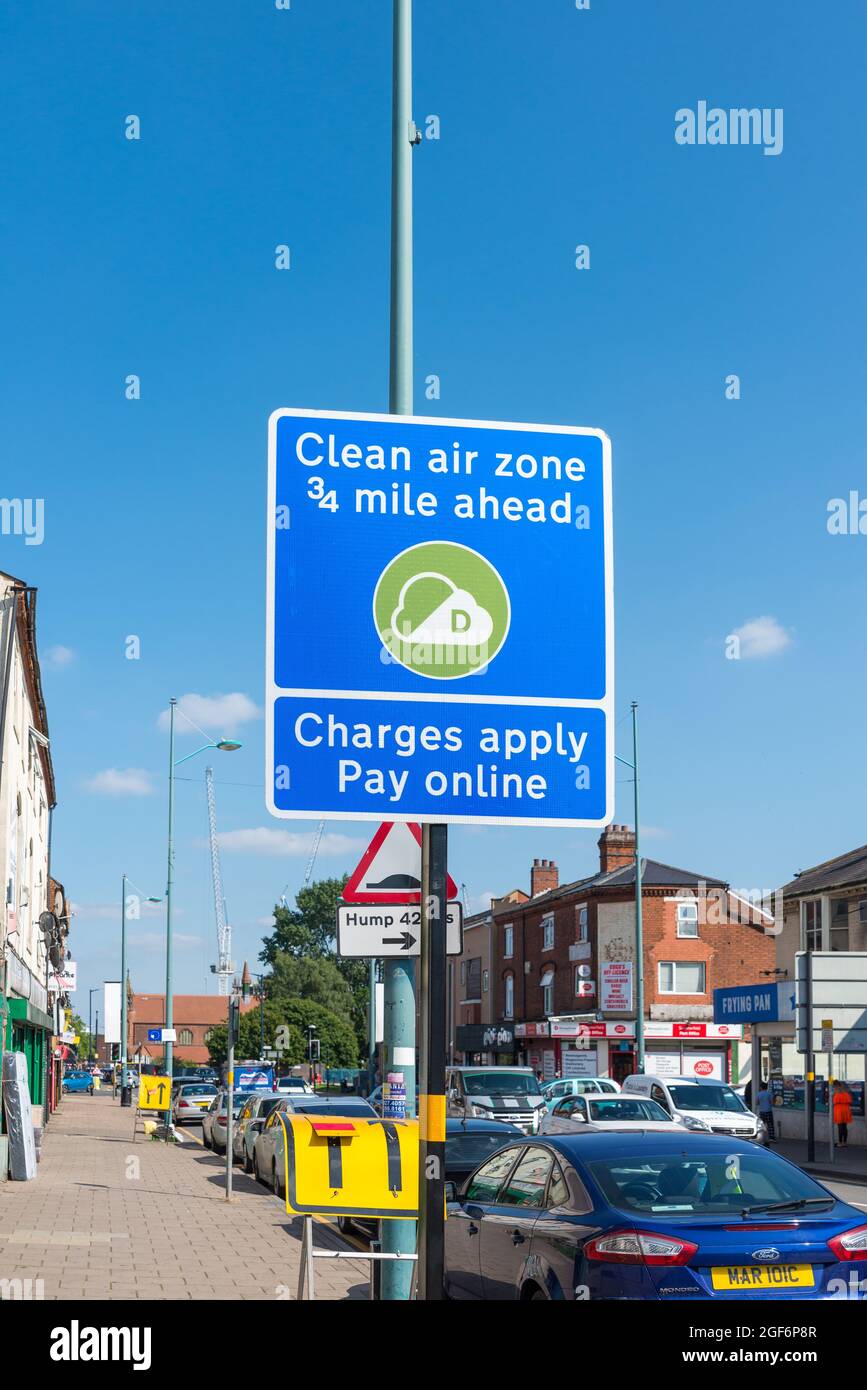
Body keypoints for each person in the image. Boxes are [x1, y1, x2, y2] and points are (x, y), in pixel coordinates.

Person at [833, 1080, 853, 1147]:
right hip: (846, 1109)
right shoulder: (846, 1092)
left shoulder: (836, 1092)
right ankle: (844, 1142)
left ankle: (840, 1143)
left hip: (839, 1110)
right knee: (844, 1126)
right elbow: (850, 1101)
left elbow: (834, 1101)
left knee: (840, 1126)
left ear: (835, 1085)